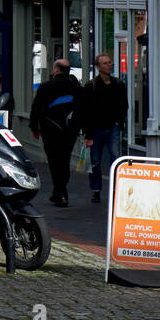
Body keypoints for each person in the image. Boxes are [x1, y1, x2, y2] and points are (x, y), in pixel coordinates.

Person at [30, 58, 87, 207]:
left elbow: (36, 108)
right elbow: (84, 111)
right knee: (64, 159)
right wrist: (87, 131)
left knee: (54, 161)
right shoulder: (76, 88)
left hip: (50, 129)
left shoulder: (46, 86)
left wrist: (34, 127)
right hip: (70, 129)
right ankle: (59, 192)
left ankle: (60, 192)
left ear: (56, 70)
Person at [83, 52, 128, 204]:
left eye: (109, 62)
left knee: (116, 158)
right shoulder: (91, 86)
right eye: (105, 63)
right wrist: (88, 134)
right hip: (96, 129)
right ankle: (96, 190)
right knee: (95, 161)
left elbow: (124, 106)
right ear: (98, 67)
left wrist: (118, 122)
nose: (109, 65)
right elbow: (86, 111)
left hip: (112, 128)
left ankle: (116, 189)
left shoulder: (118, 85)